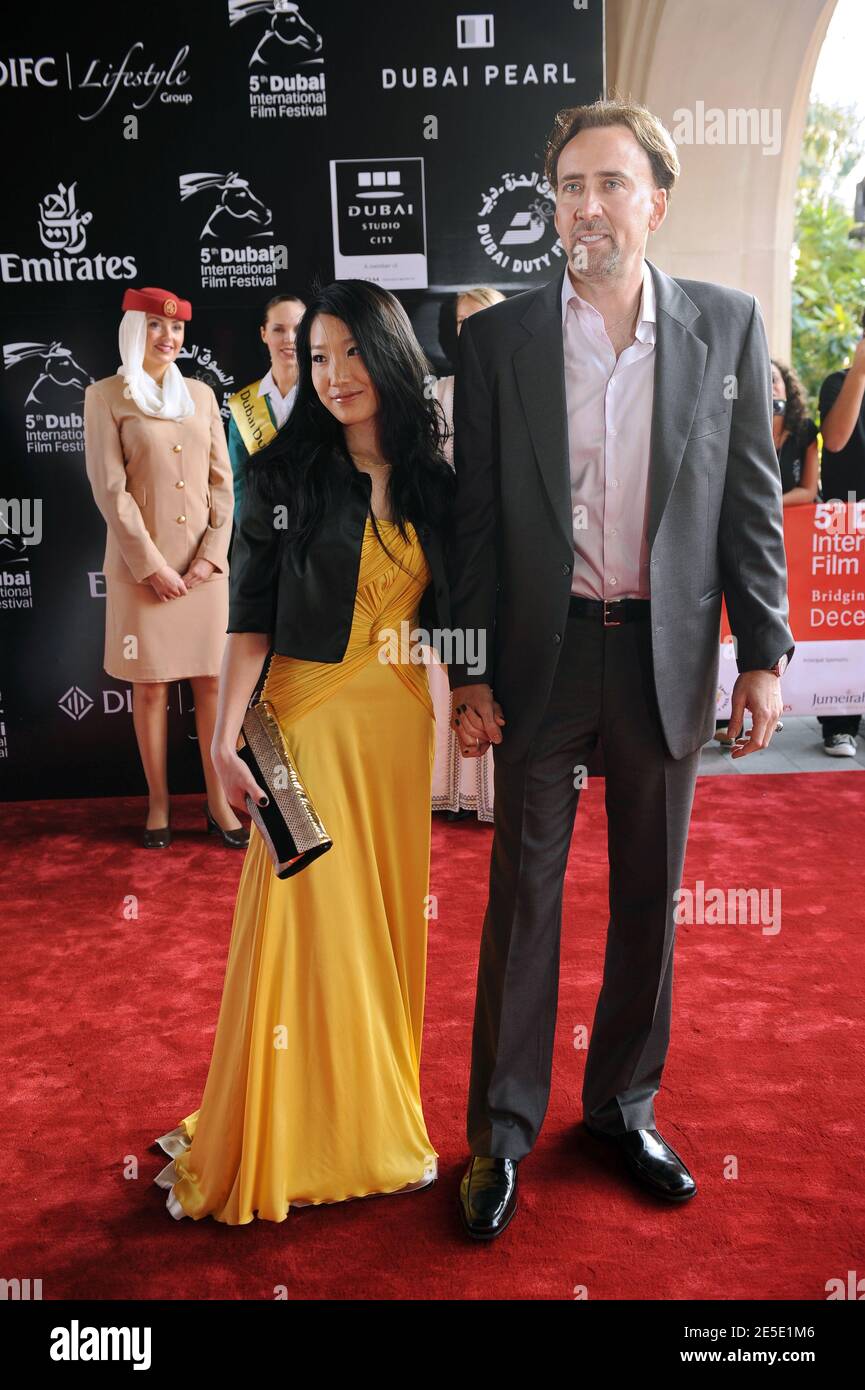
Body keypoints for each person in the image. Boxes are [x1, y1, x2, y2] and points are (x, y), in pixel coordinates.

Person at [447, 98, 795, 1240]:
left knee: (650, 894)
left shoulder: (725, 326)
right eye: (566, 187)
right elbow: (474, 529)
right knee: (522, 900)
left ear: (656, 200)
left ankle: (621, 1106)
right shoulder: (496, 342)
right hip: (539, 665)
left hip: (666, 656)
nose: (582, 206)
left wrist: (765, 656)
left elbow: (747, 500)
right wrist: (465, 673)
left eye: (607, 184)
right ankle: (500, 1134)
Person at [152, 279, 455, 1223]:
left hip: (399, 725)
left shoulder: (433, 477)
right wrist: (223, 736)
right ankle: (287, 1133)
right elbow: (248, 621)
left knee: (379, 925)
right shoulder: (282, 472)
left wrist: (483, 695)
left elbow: (455, 608)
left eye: (353, 354)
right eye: (318, 359)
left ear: (390, 354)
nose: (335, 377)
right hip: (302, 724)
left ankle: (367, 1120)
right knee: (302, 925)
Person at [83, 286, 246, 850]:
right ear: (134, 331)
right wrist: (152, 566)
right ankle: (157, 802)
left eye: (176, 329)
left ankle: (219, 802)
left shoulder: (201, 396)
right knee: (150, 690)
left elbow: (223, 486)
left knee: (213, 686)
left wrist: (210, 557)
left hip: (205, 573)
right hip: (142, 573)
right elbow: (111, 491)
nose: (168, 338)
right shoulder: (105, 396)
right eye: (156, 327)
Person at [430, 287, 505, 823]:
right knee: (454, 666)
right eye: (460, 322)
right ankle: (450, 790)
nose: (470, 332)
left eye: (482, 320)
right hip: (452, 561)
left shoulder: (527, 391)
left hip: (513, 564)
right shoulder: (432, 397)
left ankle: (498, 795)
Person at [715, 357, 816, 749]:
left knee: (780, 620)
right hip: (741, 540)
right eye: (763, 378)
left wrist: (757, 501)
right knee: (730, 624)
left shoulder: (804, 432)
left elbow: (808, 491)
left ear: (787, 387)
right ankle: (728, 711)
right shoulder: (732, 418)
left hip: (788, 541)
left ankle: (771, 700)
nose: (770, 386)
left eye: (775, 379)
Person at [816, 314, 865, 757]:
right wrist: (861, 370)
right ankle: (838, 722)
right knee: (844, 619)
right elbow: (834, 441)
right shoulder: (839, 383)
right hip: (845, 528)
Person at [226, 294, 306, 519]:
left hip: (319, 531)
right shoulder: (243, 405)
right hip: (264, 530)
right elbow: (238, 484)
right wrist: (249, 538)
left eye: (299, 329)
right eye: (278, 329)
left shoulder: (327, 396)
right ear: (264, 334)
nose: (290, 339)